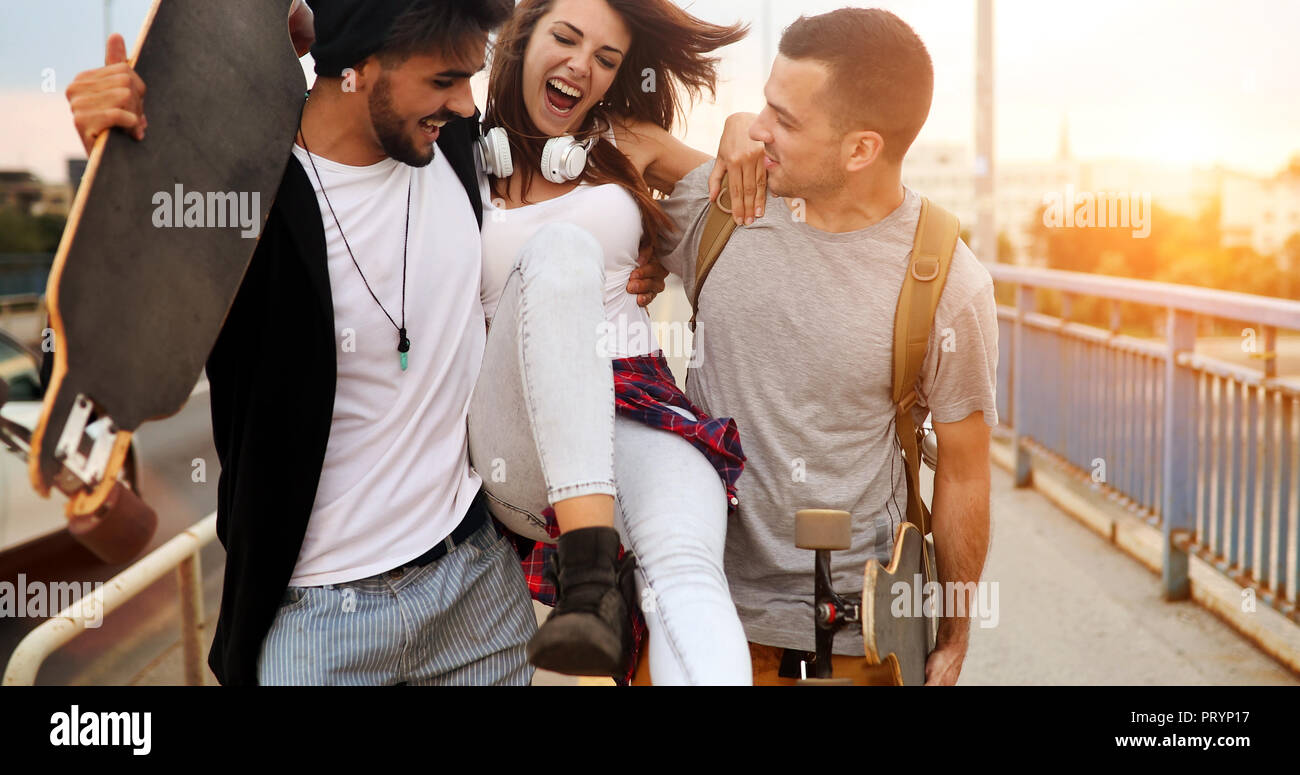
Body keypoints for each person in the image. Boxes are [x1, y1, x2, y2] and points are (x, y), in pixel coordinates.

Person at [64, 0, 669, 685]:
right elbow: (106, 346)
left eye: (470, 78)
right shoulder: (238, 202)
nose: (469, 104)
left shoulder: (460, 149)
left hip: (475, 591)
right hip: (315, 624)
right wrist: (118, 169)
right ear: (361, 69)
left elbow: (581, 204)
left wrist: (649, 257)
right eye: (444, 80)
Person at [656, 8, 999, 686]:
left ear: (861, 149)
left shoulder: (948, 280)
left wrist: (955, 637)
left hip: (859, 637)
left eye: (785, 120)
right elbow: (606, 156)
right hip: (700, 617)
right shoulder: (721, 202)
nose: (757, 131)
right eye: (762, 107)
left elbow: (964, 469)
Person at [465, 0, 764, 683]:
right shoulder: (457, 155)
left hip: (634, 396)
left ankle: (606, 587)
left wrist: (743, 126)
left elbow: (744, 186)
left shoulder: (629, 138)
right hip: (520, 425)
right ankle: (592, 566)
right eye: (565, 39)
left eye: (606, 59)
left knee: (686, 571)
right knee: (564, 249)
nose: (582, 67)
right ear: (520, 38)